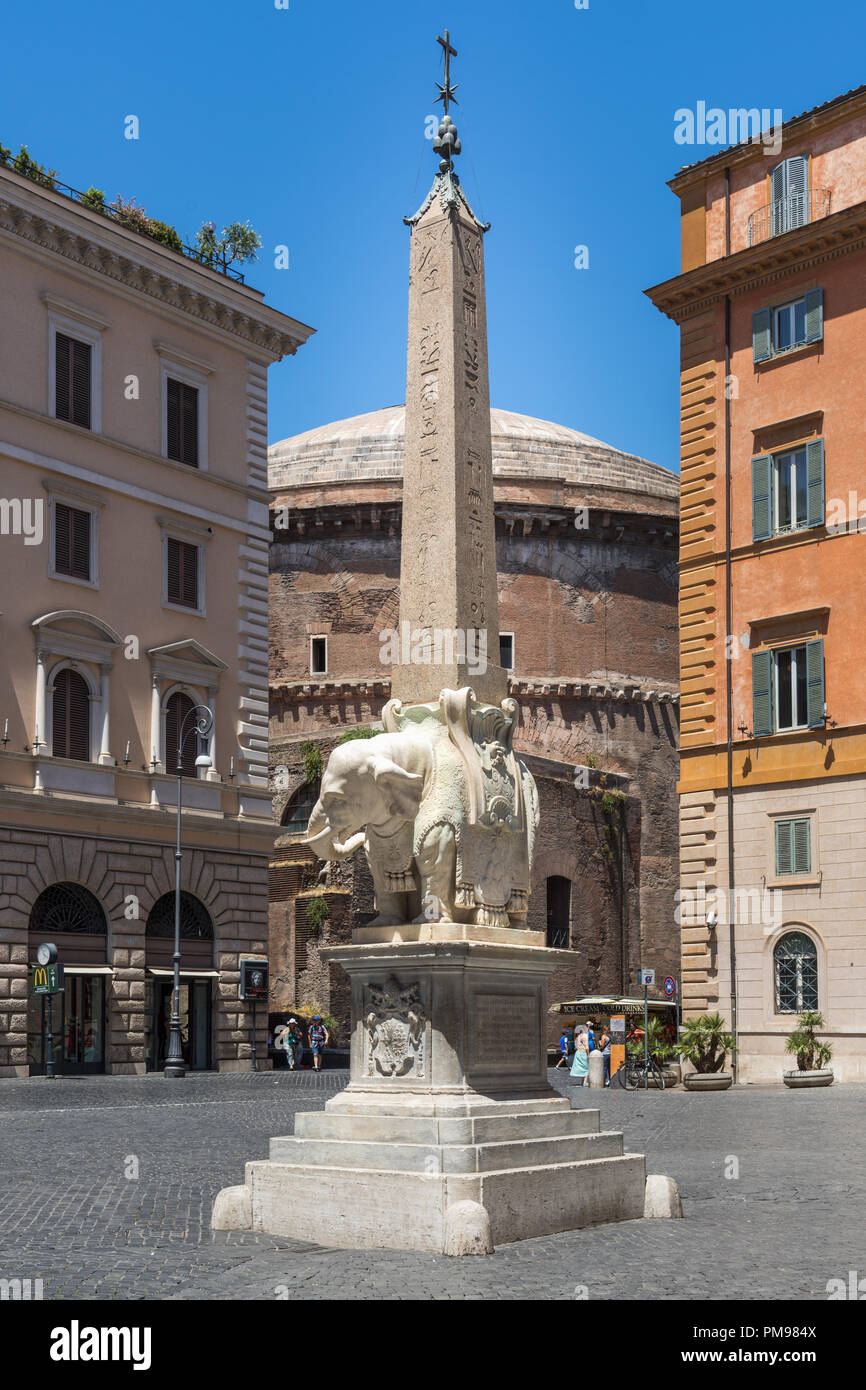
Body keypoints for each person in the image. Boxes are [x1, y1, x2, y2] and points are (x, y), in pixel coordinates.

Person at [597, 1022, 612, 1086]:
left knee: (604, 1068)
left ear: (603, 1030)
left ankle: (603, 1082)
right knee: (609, 1068)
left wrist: (599, 1042)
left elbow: (602, 1045)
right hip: (610, 1053)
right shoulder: (610, 1036)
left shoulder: (603, 1036)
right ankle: (610, 1081)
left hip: (605, 1053)